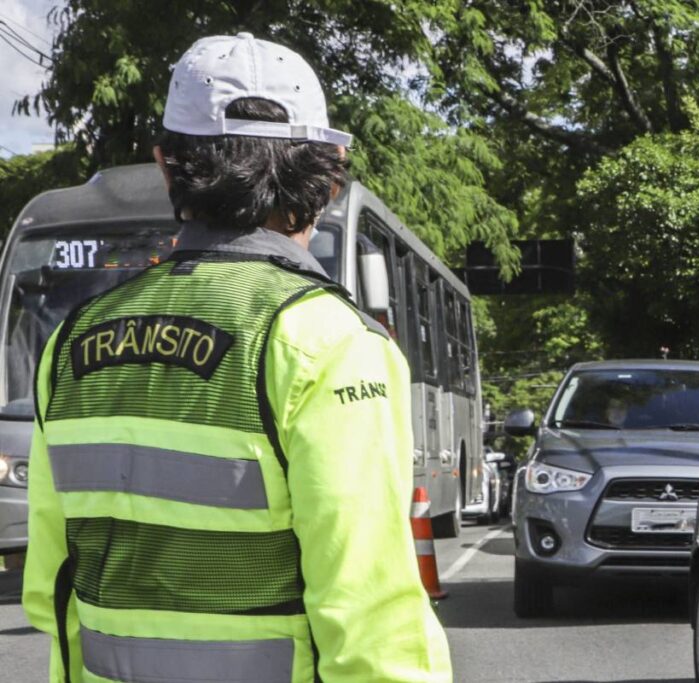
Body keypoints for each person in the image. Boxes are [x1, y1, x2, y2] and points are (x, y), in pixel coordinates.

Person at [22, 33, 452, 682]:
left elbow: (53, 591)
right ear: (329, 174)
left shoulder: (73, 341)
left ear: (166, 165)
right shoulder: (329, 342)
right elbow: (369, 612)